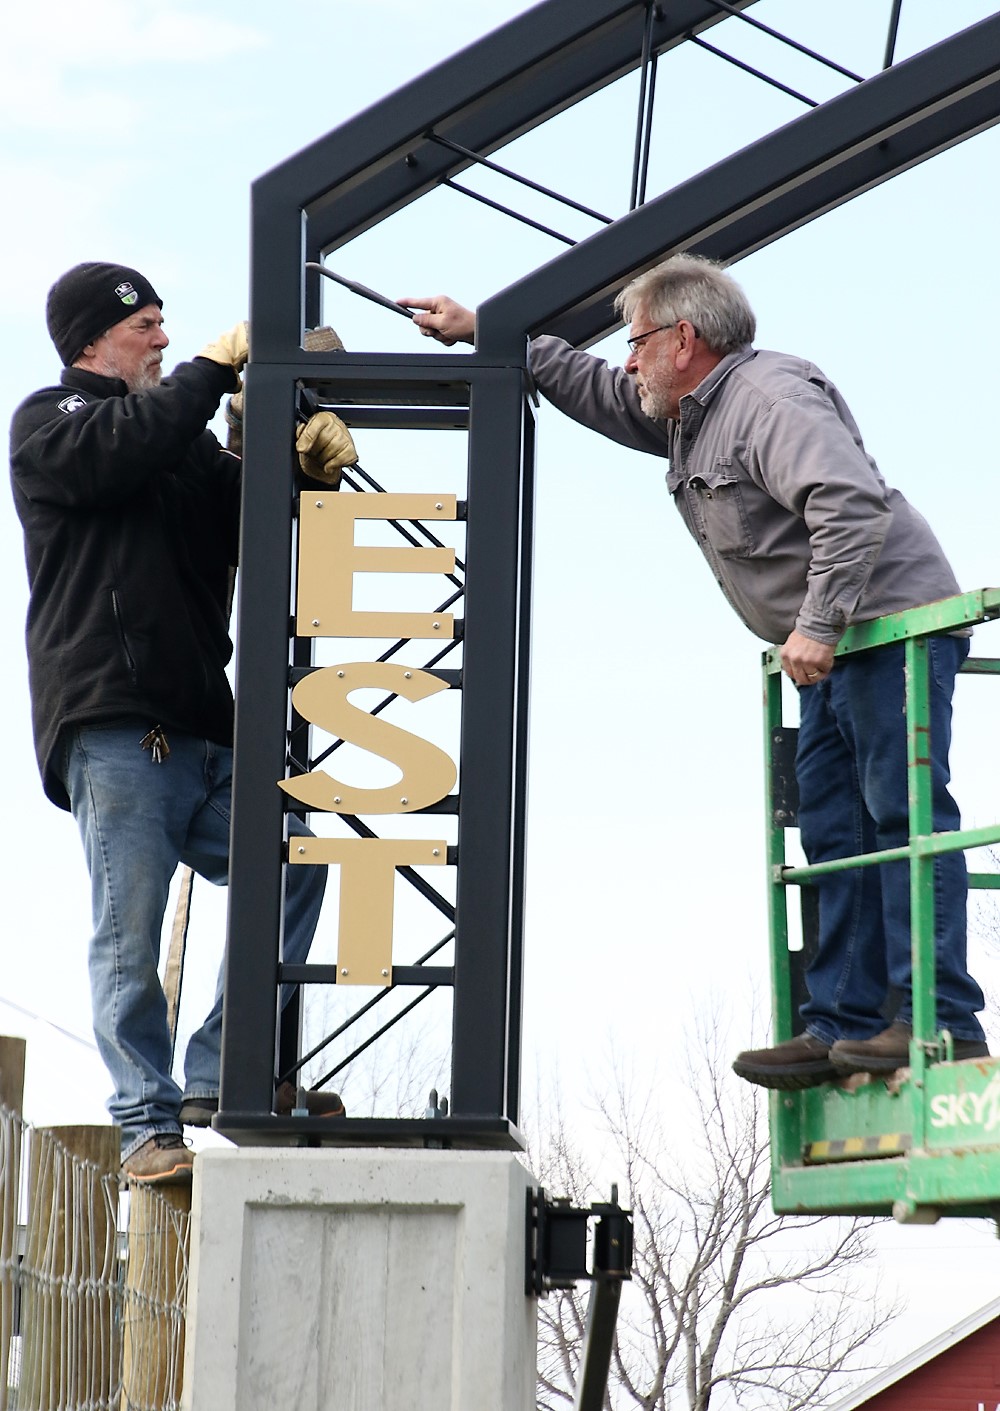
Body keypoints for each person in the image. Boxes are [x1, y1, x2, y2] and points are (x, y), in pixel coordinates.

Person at [402, 255, 988, 1090]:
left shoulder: (766, 399)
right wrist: (489, 335)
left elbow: (848, 503)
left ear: (686, 338)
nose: (629, 360)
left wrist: (817, 624)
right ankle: (845, 1024)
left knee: (901, 816)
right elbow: (602, 391)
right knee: (833, 833)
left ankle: (939, 1023)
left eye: (638, 342)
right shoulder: (688, 416)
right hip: (833, 643)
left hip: (885, 622)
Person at [10, 262, 355, 1182]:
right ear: (90, 342)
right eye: (146, 327)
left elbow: (237, 529)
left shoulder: (175, 440)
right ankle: (144, 1128)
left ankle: (226, 1068)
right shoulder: (53, 424)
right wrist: (213, 372)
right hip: (117, 727)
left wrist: (293, 472)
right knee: (129, 929)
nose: (164, 341)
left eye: (170, 327)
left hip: (205, 730)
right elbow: (122, 451)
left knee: (295, 856)